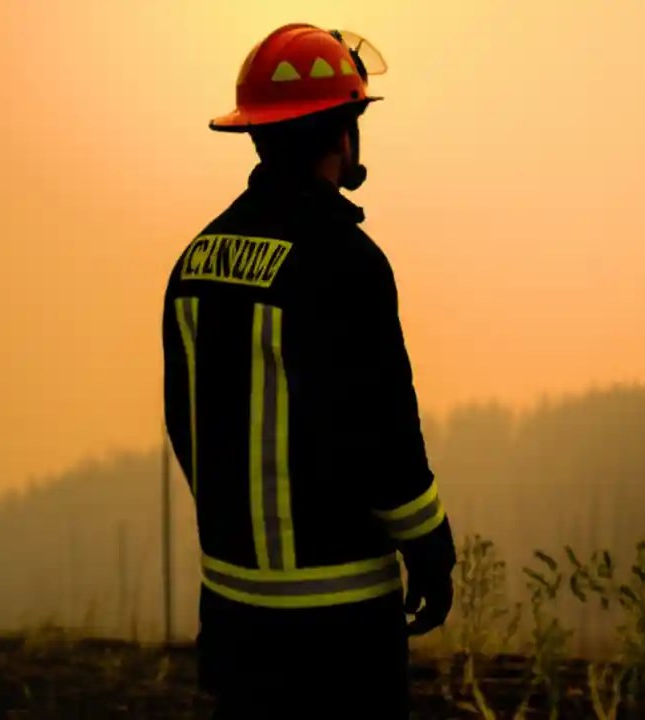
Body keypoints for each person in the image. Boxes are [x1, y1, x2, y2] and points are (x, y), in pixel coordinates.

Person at [160, 24, 456, 719]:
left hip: (233, 618)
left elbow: (185, 424)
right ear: (342, 130)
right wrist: (431, 549)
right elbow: (384, 433)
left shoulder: (195, 260)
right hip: (339, 628)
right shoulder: (345, 261)